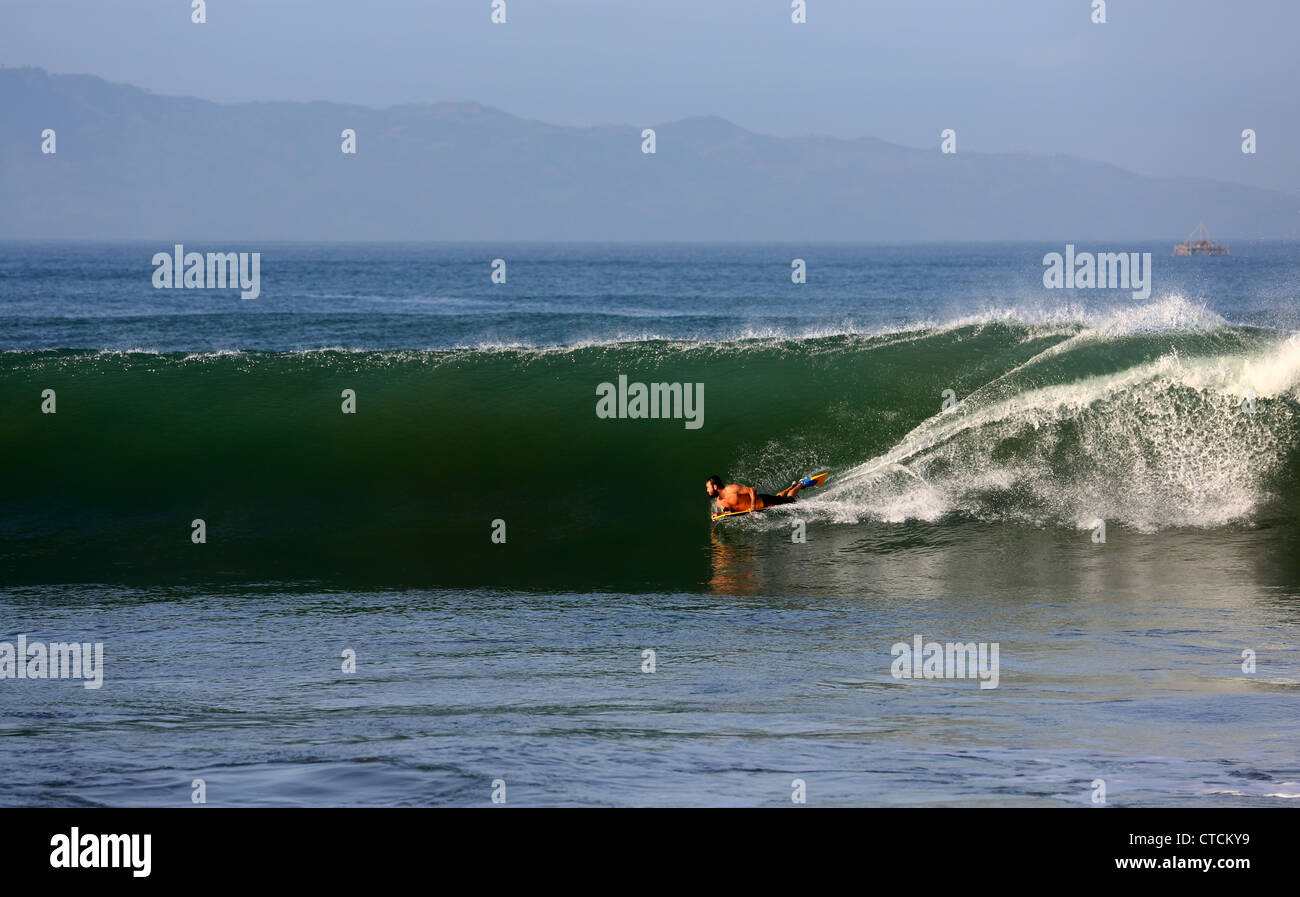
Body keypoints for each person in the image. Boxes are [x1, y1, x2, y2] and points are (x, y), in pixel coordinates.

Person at [705, 474, 805, 514]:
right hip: (761, 507)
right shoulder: (719, 501)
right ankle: (792, 486)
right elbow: (727, 511)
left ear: (715, 487)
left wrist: (752, 506)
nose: (707, 491)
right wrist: (719, 515)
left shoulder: (731, 489)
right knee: (778, 497)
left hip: (763, 501)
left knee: (790, 501)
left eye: (708, 488)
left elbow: (752, 490)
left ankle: (801, 483)